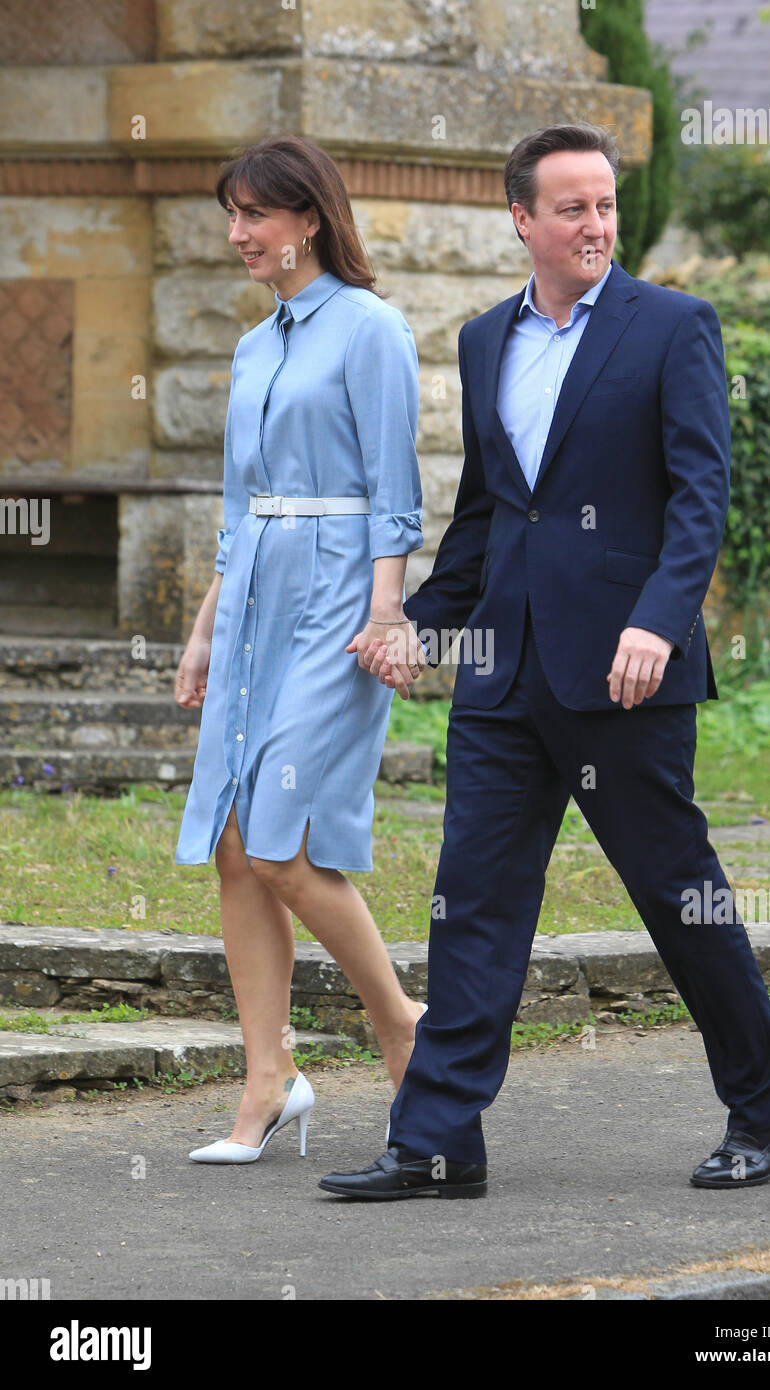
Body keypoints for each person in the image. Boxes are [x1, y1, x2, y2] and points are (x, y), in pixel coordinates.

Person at [318, 122, 770, 1201]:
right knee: (474, 898)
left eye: (606, 206)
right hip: (503, 678)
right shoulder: (486, 338)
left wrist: (657, 620)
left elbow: (699, 495)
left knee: (679, 897)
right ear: (522, 221)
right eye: (573, 208)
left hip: (625, 674)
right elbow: (489, 511)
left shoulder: (673, 326)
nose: (596, 225)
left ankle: (765, 1105)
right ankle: (438, 1141)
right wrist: (420, 625)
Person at [173, 135, 427, 1164]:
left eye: (254, 216)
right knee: (236, 840)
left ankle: (403, 1023)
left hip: (337, 597)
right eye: (229, 216)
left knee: (281, 838)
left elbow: (393, 492)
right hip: (253, 601)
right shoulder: (254, 344)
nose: (237, 235)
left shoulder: (370, 330)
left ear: (308, 218)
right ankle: (268, 1075)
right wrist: (200, 632)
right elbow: (238, 514)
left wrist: (387, 613)